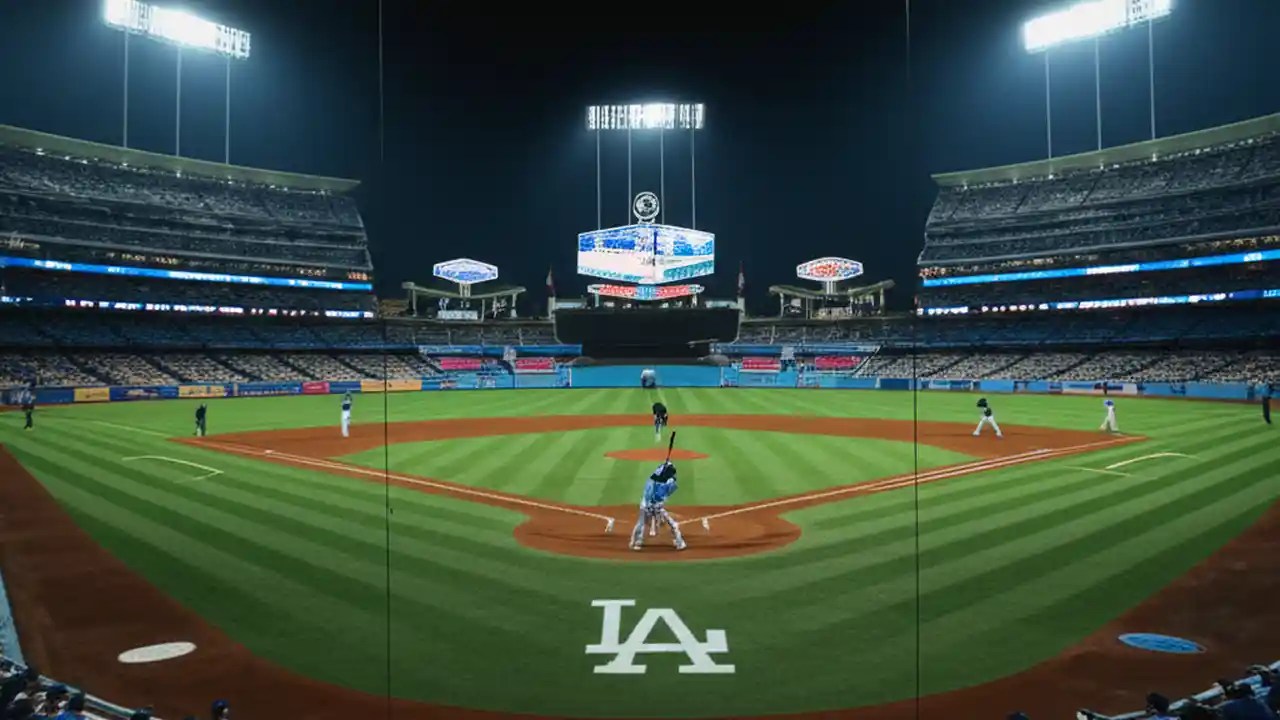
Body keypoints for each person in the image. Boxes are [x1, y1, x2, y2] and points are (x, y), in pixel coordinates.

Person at [630, 461, 686, 551]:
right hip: (656, 507)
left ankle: (636, 542)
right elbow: (665, 489)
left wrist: (665, 466)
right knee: (673, 524)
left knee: (640, 523)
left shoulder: (652, 478)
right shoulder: (667, 484)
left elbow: (658, 473)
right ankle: (680, 543)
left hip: (645, 505)